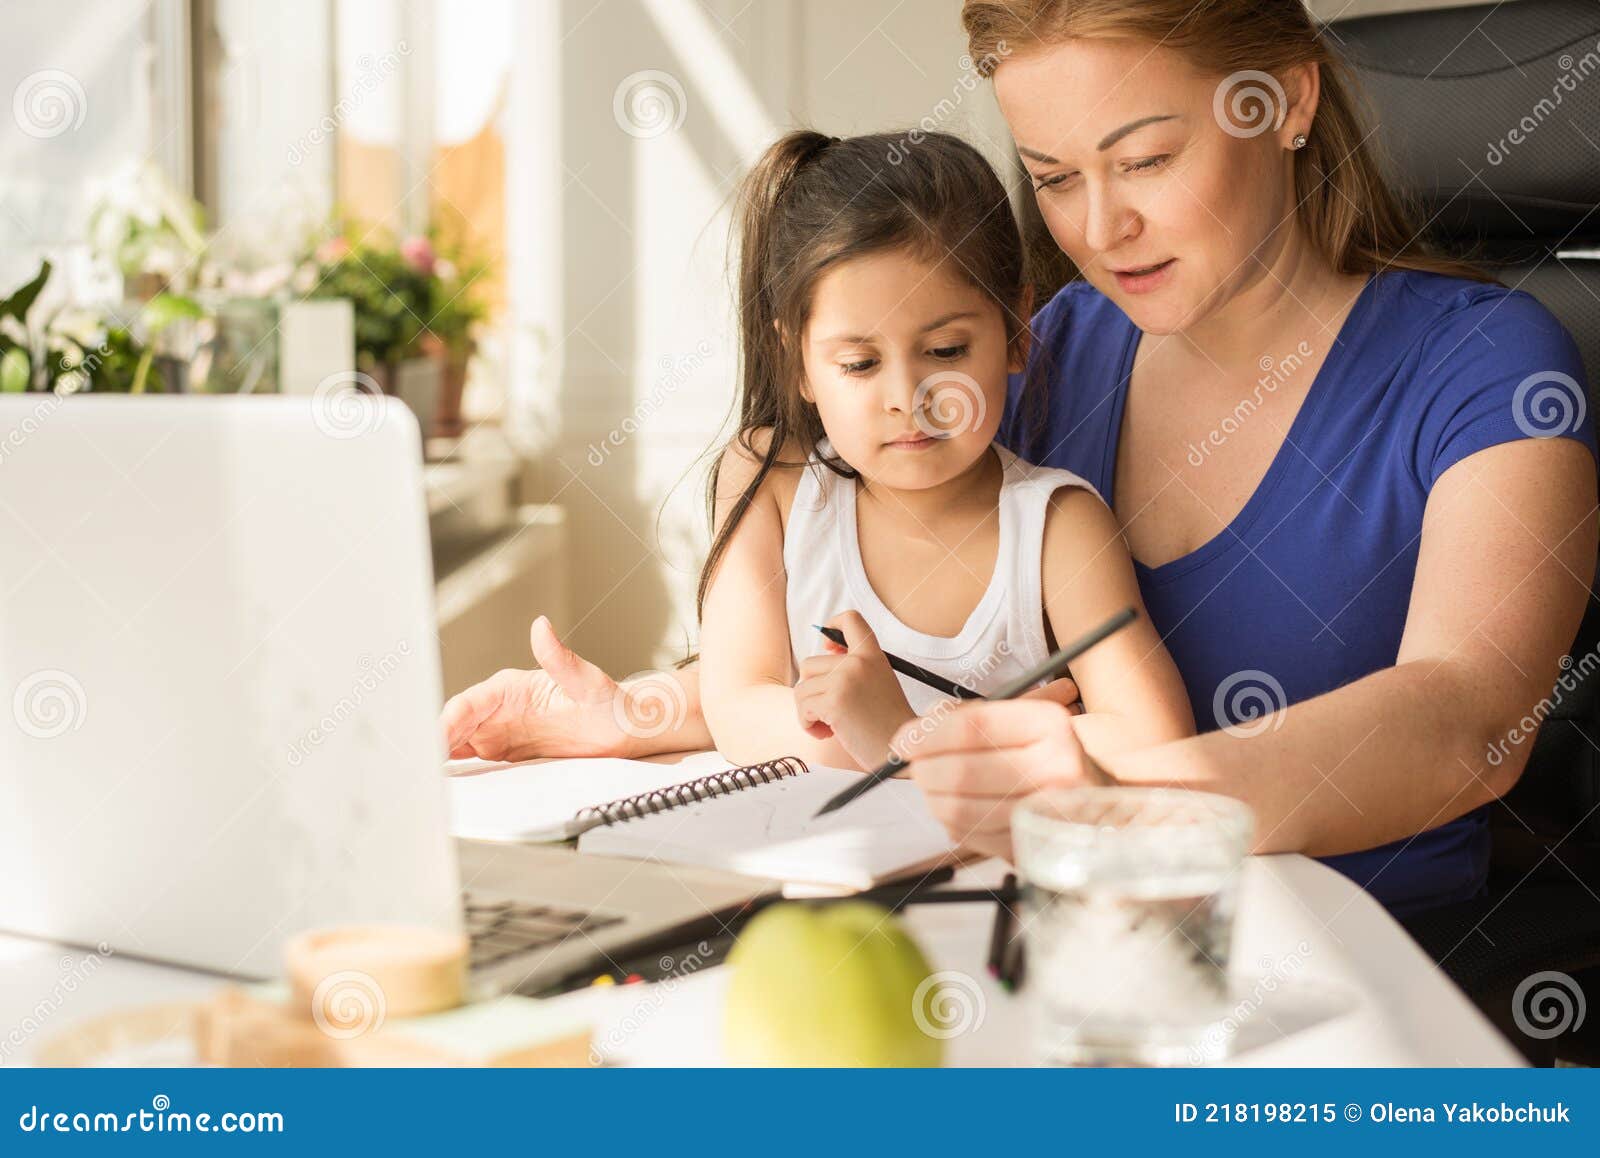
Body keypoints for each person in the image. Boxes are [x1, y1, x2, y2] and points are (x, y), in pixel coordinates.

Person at [442, 0, 1597, 916]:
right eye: (1051, 178)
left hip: (1348, 970)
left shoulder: (1488, 366)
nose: (1097, 228)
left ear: (1283, 100)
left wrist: (1129, 793)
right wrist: (647, 712)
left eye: (1143, 159)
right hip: (1047, 937)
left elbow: (1469, 724)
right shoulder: (1032, 358)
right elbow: (903, 668)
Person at [693, 129, 1191, 772]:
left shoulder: (1057, 525)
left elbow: (1156, 740)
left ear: (1016, 332)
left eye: (947, 352)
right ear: (800, 364)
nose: (908, 397)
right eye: (860, 362)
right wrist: (955, 738)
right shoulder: (773, 480)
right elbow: (737, 710)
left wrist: (901, 736)